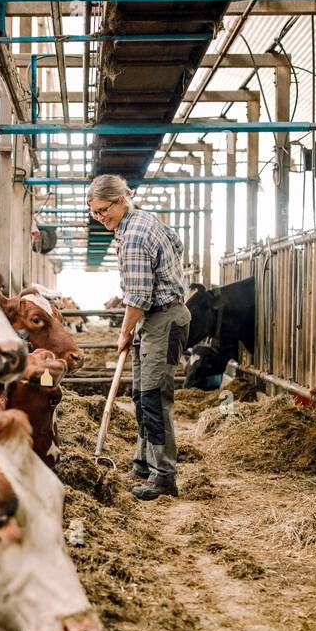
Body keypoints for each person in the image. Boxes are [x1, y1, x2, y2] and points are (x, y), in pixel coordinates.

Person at [88, 174, 191, 500]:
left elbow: (137, 298)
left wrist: (124, 332)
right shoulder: (145, 220)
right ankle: (144, 463)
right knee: (141, 397)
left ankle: (164, 477)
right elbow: (177, 244)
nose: (100, 217)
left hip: (161, 319)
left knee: (154, 400)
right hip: (160, 318)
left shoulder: (132, 237)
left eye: (105, 210)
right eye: (94, 212)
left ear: (121, 201)